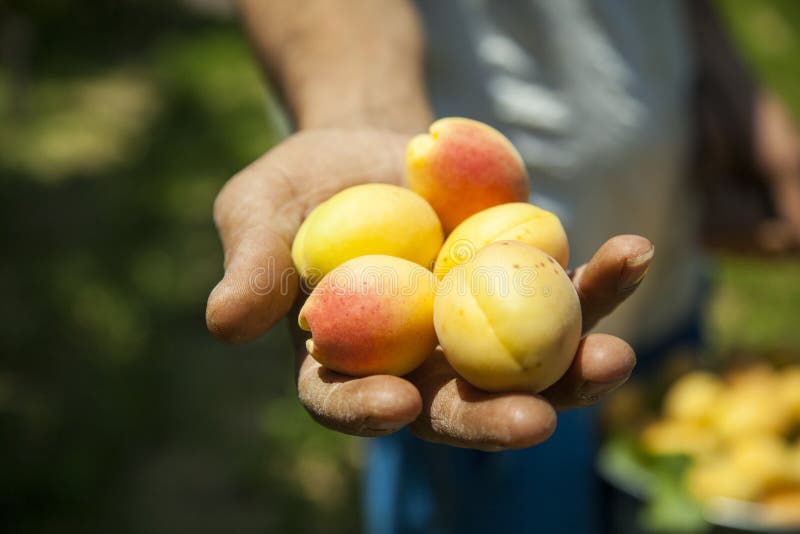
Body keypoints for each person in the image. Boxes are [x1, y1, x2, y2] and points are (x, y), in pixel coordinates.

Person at [205, 1, 800, 532]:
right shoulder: (432, 282)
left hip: (660, 260)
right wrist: (358, 110)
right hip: (457, 375)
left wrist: (721, 70)